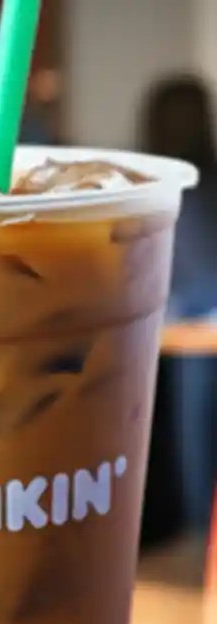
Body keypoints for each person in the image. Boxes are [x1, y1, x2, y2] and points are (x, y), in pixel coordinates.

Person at [141, 74, 217, 535]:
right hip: (184, 342)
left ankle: (194, 538)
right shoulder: (189, 187)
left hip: (181, 342)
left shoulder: (160, 188)